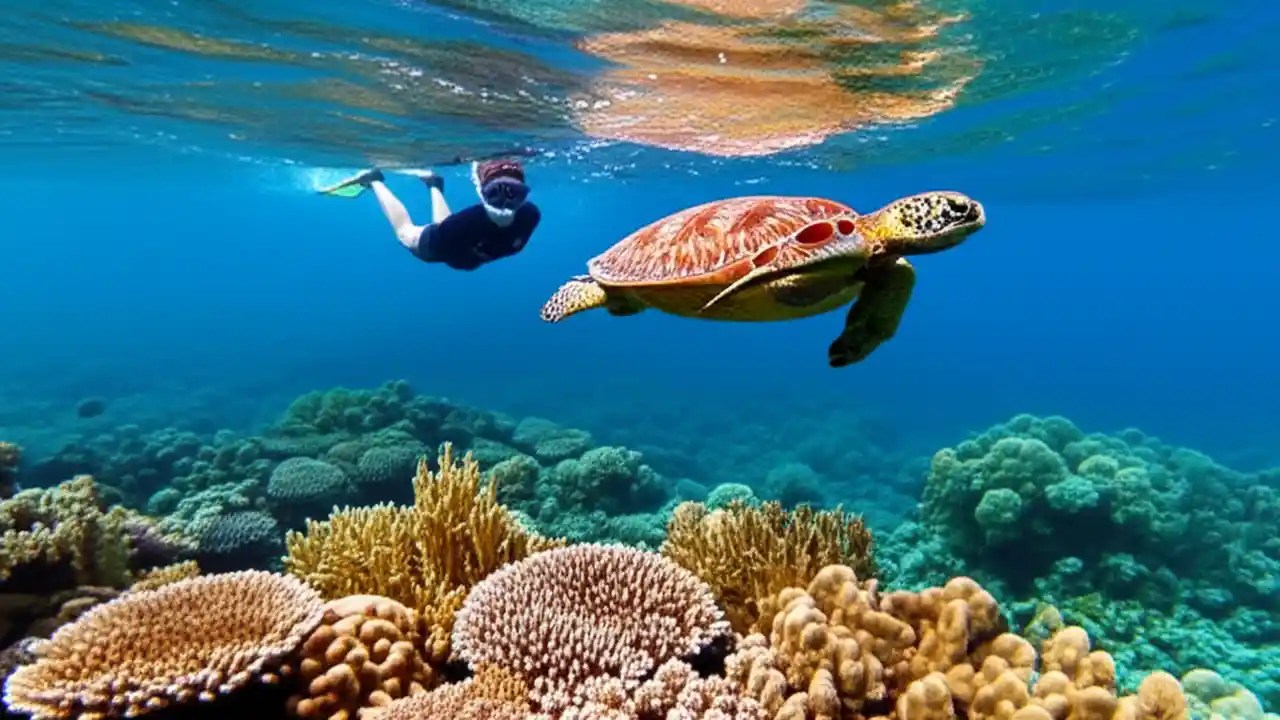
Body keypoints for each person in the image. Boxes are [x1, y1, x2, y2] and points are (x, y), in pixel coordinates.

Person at [320, 158, 541, 271]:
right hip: (438, 247)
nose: (504, 202)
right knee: (404, 232)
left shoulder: (529, 215)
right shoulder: (528, 214)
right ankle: (373, 180)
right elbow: (446, 236)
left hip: (456, 245)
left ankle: (433, 184)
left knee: (448, 227)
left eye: (514, 194)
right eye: (496, 194)